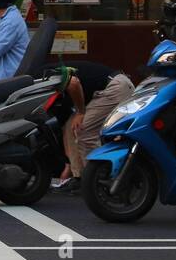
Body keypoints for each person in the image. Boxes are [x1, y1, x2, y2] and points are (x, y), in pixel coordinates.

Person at [46, 60, 134, 195]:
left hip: (115, 87)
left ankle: (97, 180)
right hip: (106, 88)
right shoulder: (53, 101)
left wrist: (81, 112)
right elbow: (65, 129)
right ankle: (79, 178)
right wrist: (68, 166)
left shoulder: (42, 75)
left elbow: (74, 83)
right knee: (72, 126)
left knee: (84, 130)